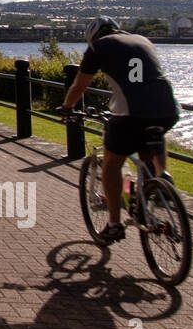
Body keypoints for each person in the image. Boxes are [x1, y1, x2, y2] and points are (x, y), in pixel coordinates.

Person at [60, 16, 180, 243]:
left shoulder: (98, 46)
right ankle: (160, 175)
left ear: (93, 35)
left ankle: (114, 224)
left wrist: (67, 107)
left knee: (111, 164)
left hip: (130, 113)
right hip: (167, 107)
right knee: (154, 132)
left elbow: (79, 84)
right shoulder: (143, 40)